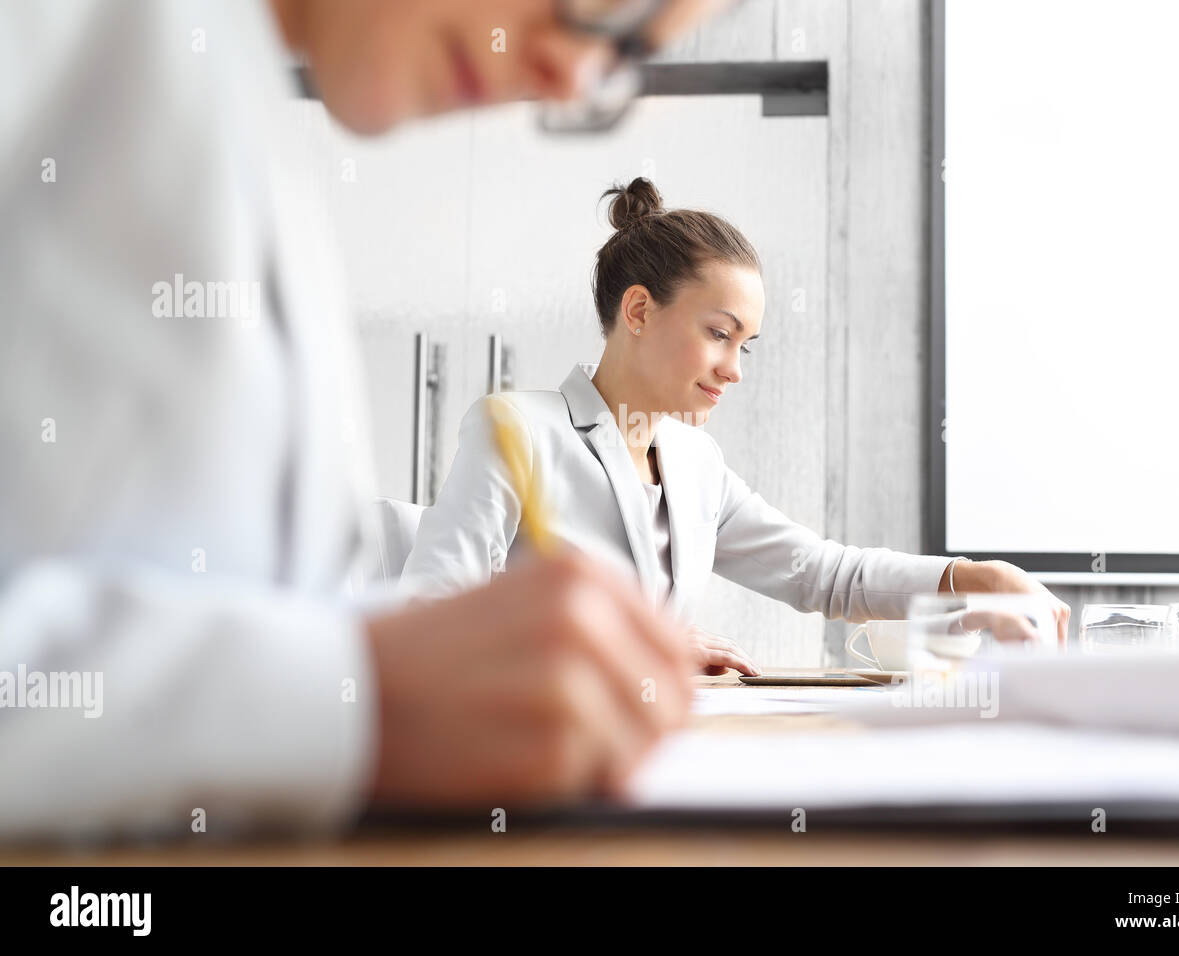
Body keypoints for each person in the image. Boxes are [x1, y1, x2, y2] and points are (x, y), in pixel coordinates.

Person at [0, 0, 727, 841]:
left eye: (622, 53)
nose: (571, 73)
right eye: (609, 6)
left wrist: (461, 664)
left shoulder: (247, 97)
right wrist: (355, 696)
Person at [402, 178, 1072, 674]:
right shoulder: (516, 431)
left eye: (744, 344)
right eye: (719, 334)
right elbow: (427, 619)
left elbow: (822, 574)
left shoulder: (695, 463)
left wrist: (975, 577)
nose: (734, 369)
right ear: (638, 311)